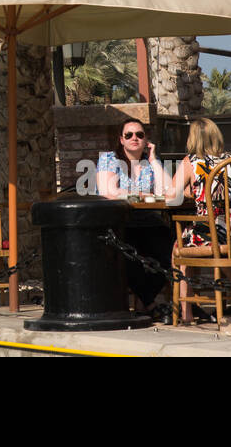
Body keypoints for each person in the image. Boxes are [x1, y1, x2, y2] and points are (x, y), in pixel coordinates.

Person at [96, 120, 171, 317]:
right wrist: (139, 192)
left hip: (147, 220)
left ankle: (144, 303)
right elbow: (107, 191)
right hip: (119, 222)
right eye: (129, 135)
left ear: (146, 139)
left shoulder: (149, 162)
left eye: (139, 134)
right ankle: (150, 304)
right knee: (128, 256)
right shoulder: (109, 159)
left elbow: (168, 191)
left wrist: (154, 160)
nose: (134, 138)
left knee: (170, 252)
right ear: (121, 140)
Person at [170, 117, 231, 322]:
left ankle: (186, 314)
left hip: (212, 232)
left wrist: (192, 191)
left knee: (178, 248)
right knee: (212, 239)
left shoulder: (191, 162)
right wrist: (197, 191)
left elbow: (171, 197)